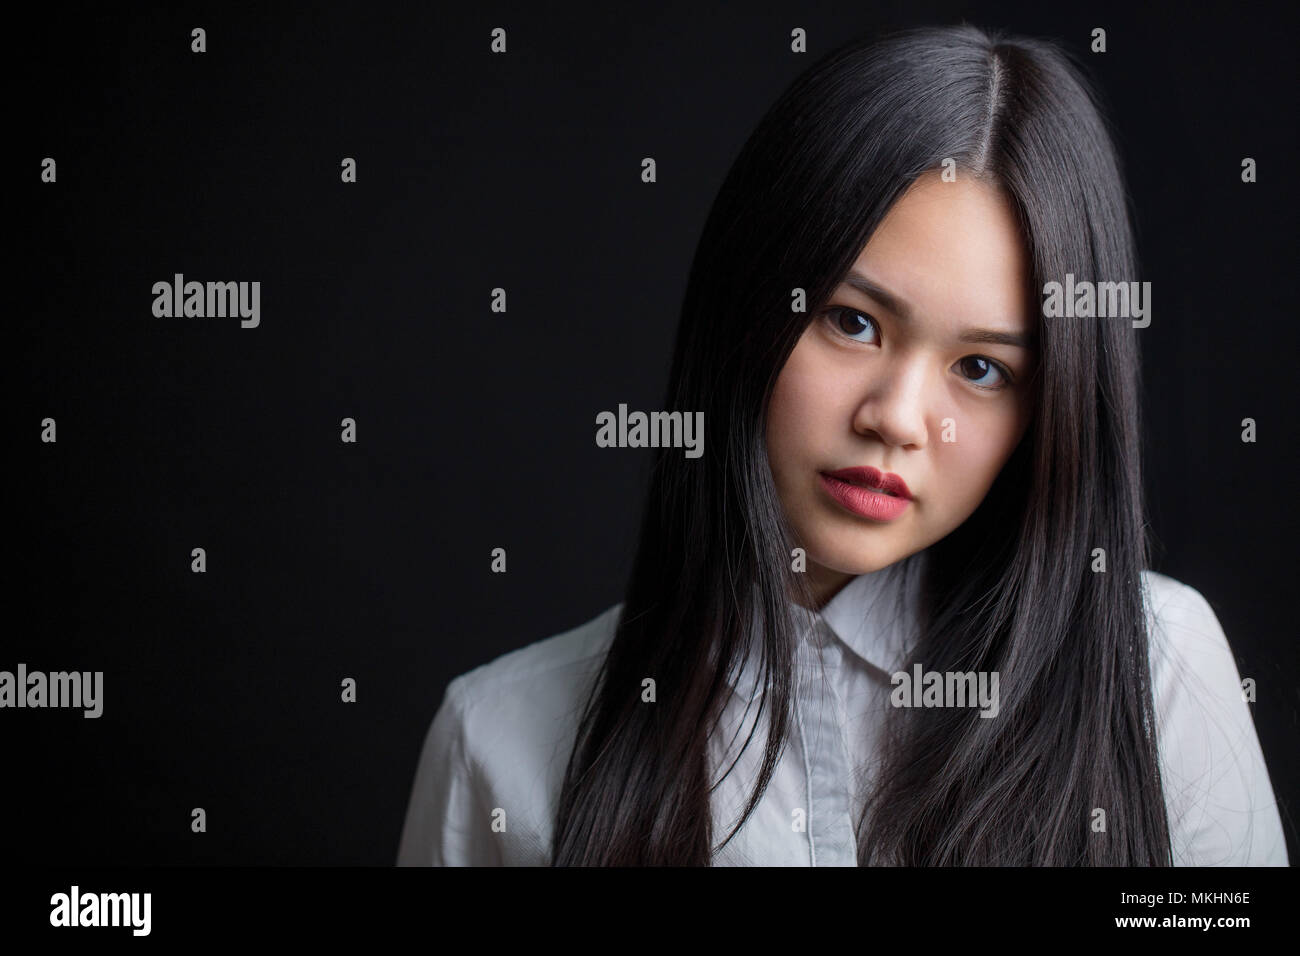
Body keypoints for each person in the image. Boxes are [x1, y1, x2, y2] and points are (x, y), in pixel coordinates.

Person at [397, 23, 1288, 866]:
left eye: (982, 369)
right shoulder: (498, 740)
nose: (898, 418)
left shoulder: (1154, 669)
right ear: (746, 308)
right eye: (851, 321)